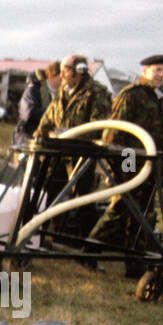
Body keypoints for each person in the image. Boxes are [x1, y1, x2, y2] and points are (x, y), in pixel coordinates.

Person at [88, 54, 163, 278]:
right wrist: (125, 170)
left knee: (143, 216)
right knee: (119, 211)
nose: (161, 75)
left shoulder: (158, 98)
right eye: (157, 70)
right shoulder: (130, 96)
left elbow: (162, 140)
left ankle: (135, 266)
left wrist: (162, 171)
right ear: (144, 70)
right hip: (132, 166)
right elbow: (114, 137)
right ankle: (89, 251)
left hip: (151, 167)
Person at [35, 54, 114, 263]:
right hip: (58, 153)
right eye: (61, 71)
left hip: (82, 154)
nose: (61, 75)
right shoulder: (63, 90)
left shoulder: (97, 93)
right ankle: (42, 238)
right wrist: (40, 132)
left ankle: (89, 250)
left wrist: (71, 134)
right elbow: (50, 116)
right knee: (47, 192)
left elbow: (99, 126)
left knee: (82, 199)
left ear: (79, 71)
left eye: (65, 70)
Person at [13, 61, 62, 148]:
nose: (63, 82)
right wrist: (52, 111)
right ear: (50, 76)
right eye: (60, 79)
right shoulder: (33, 90)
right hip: (27, 139)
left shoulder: (62, 94)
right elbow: (28, 114)